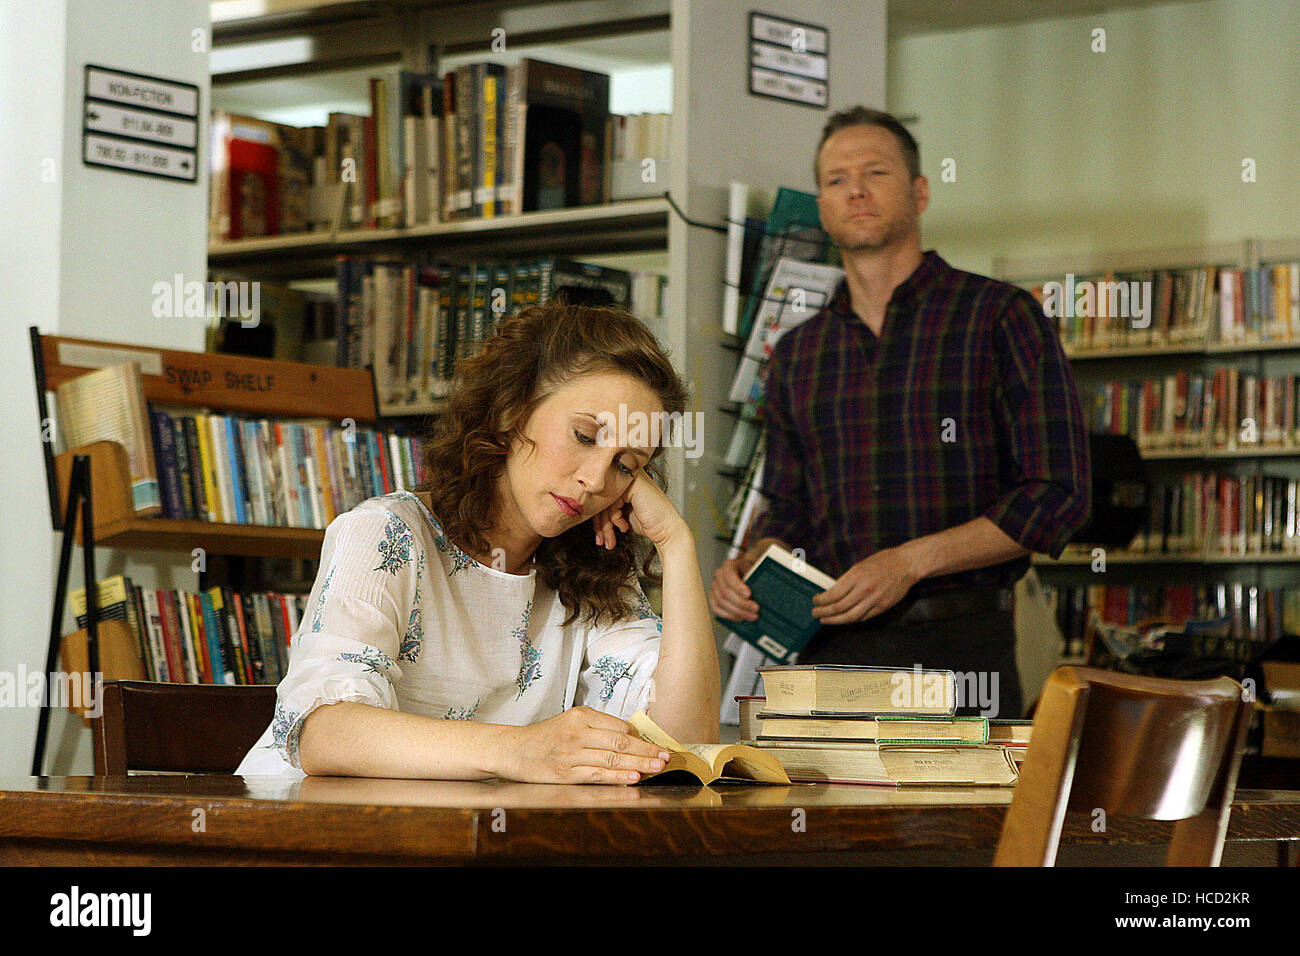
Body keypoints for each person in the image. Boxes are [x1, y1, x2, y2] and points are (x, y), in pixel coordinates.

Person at [708, 106, 1091, 718]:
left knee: (956, 817)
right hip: (827, 654)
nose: (855, 189)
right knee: (833, 813)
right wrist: (753, 562)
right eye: (836, 180)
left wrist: (909, 563)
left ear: (919, 193)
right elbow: (787, 506)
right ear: (823, 205)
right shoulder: (798, 354)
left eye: (875, 172)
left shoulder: (999, 317)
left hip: (962, 649)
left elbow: (1056, 495)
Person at [237, 300, 720, 781]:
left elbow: (684, 742)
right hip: (307, 836)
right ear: (513, 409)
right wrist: (520, 751)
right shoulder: (388, 534)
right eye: (584, 435)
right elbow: (323, 732)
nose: (595, 480)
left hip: (466, 844)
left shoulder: (596, 573)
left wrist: (675, 543)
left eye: (625, 465)